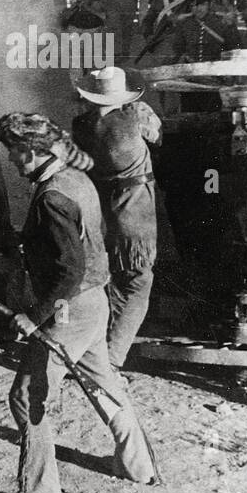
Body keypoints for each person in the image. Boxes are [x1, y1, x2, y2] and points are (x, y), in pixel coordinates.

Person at [0, 113, 158, 493]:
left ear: (32, 151)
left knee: (26, 396)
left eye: (15, 154)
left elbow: (69, 269)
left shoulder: (51, 196)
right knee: (101, 382)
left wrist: (34, 317)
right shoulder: (76, 180)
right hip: (95, 301)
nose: (13, 162)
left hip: (70, 308)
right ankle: (139, 465)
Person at [71, 67, 160, 369]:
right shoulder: (134, 115)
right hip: (134, 211)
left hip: (102, 208)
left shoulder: (81, 125)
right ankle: (111, 359)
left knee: (110, 280)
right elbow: (157, 135)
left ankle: (91, 351)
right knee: (138, 282)